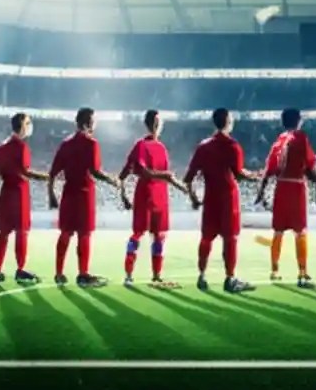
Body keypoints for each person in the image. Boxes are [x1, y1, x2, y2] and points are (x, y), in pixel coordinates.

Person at [183, 108, 262, 293]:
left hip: (210, 198)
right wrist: (255, 175)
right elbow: (239, 174)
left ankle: (201, 276)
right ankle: (230, 278)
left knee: (206, 238)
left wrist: (194, 197)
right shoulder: (232, 146)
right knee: (230, 239)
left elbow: (188, 178)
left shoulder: (203, 146)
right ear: (227, 121)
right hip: (228, 198)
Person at [119, 109, 191, 287]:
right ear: (149, 123)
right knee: (138, 233)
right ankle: (129, 274)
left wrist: (182, 187)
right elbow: (132, 172)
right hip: (145, 194)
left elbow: (168, 176)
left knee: (160, 236)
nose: (157, 125)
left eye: (159, 122)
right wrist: (123, 195)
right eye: (155, 122)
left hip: (161, 195)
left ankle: (157, 275)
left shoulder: (161, 148)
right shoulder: (141, 146)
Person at [49, 107, 120, 287]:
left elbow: (53, 173)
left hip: (68, 193)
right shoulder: (92, 144)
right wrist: (112, 180)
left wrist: (51, 194)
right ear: (89, 123)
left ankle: (58, 273)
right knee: (84, 235)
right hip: (84, 193)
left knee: (65, 233)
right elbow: (94, 171)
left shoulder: (65, 144)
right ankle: (83, 274)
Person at [256, 108, 316, 288]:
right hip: (295, 188)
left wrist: (261, 193)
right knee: (300, 232)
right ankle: (302, 274)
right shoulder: (300, 138)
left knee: (278, 231)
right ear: (298, 121)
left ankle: (274, 270)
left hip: (281, 188)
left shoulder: (279, 140)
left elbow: (268, 170)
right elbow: (309, 166)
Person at [0, 112, 48, 284]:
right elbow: (25, 172)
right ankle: (20, 269)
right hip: (19, 194)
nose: (30, 126)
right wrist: (46, 177)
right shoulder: (22, 148)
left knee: (3, 233)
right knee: (21, 233)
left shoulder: (1, 148)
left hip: (5, 194)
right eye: (28, 123)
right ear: (22, 127)